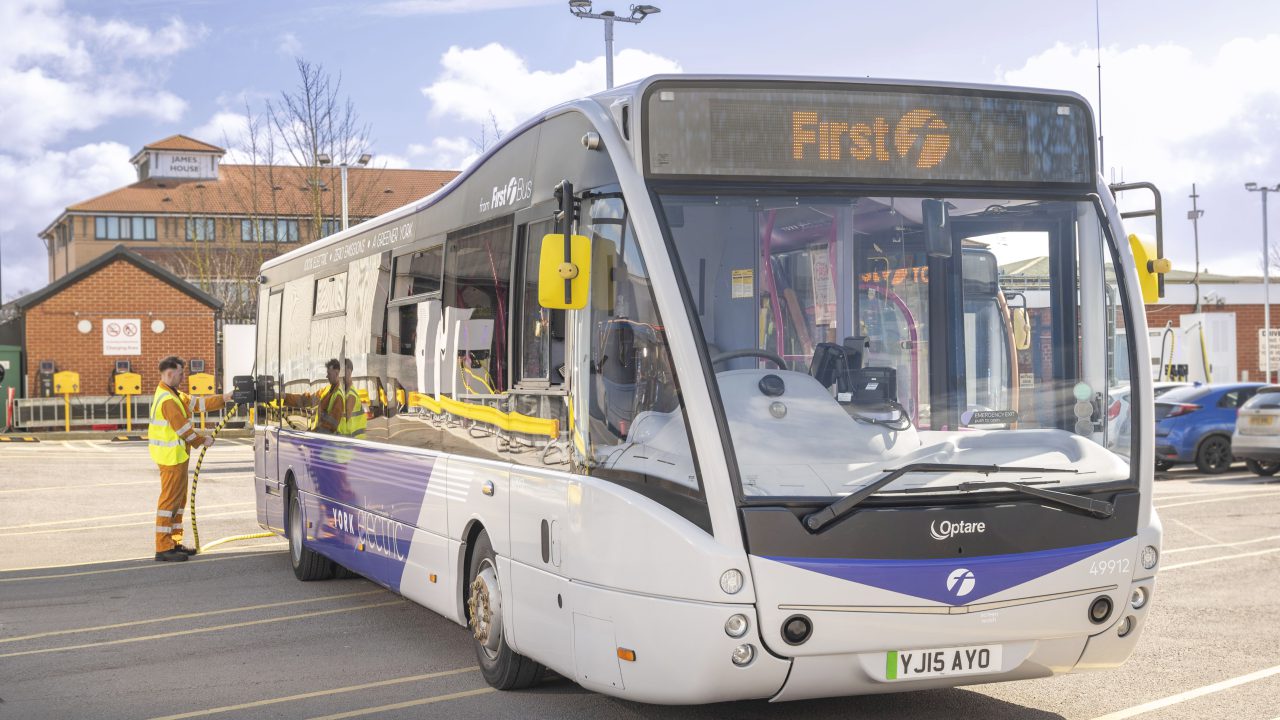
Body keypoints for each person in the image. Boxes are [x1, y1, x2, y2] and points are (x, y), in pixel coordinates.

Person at [148, 356, 232, 562]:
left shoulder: (174, 394)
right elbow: (183, 429)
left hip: (177, 457)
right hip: (171, 458)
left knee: (178, 501)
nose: (183, 377)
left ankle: (174, 542)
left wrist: (225, 398)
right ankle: (163, 547)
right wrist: (202, 440)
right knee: (169, 502)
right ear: (170, 374)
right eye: (180, 373)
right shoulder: (168, 400)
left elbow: (198, 403)